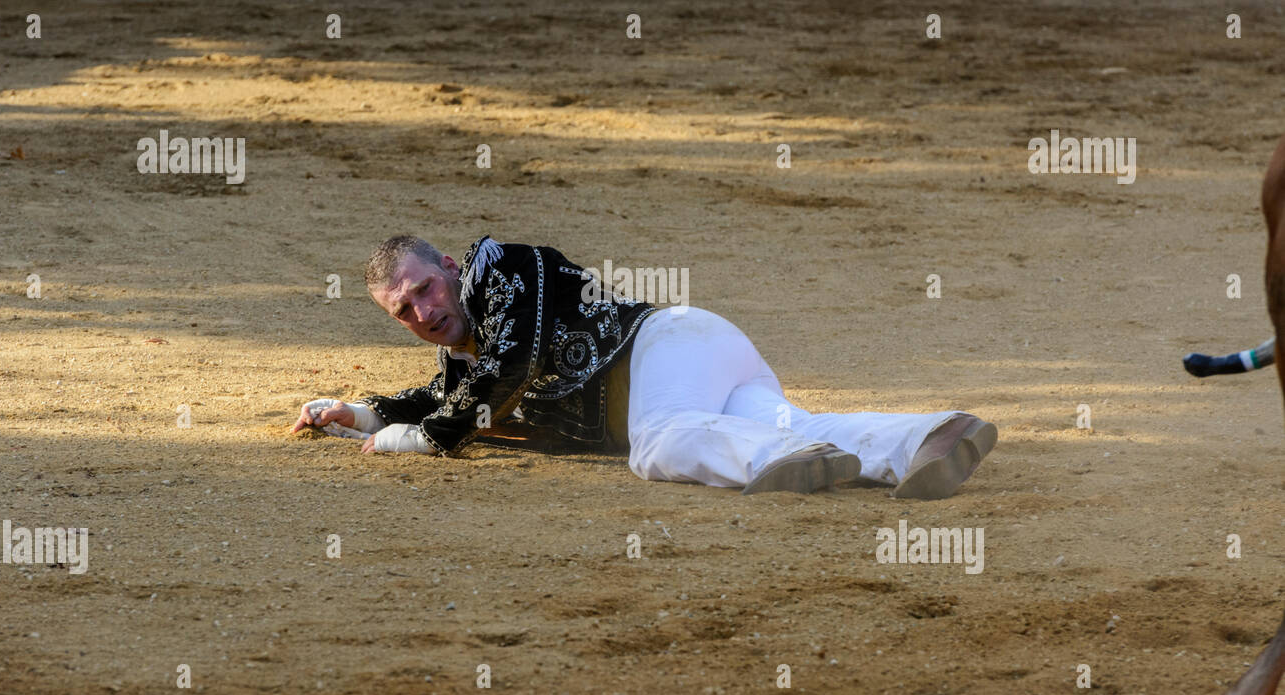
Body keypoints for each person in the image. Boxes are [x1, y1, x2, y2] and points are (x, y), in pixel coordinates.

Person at [291, 235, 997, 498]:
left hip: (667, 345)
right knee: (788, 421)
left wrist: (418, 439)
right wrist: (353, 414)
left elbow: (502, 375)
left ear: (449, 267)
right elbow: (445, 395)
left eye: (424, 289)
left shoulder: (496, 267)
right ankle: (928, 435)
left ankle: (784, 457)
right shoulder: (463, 363)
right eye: (402, 311)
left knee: (658, 443)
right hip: (700, 361)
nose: (421, 311)